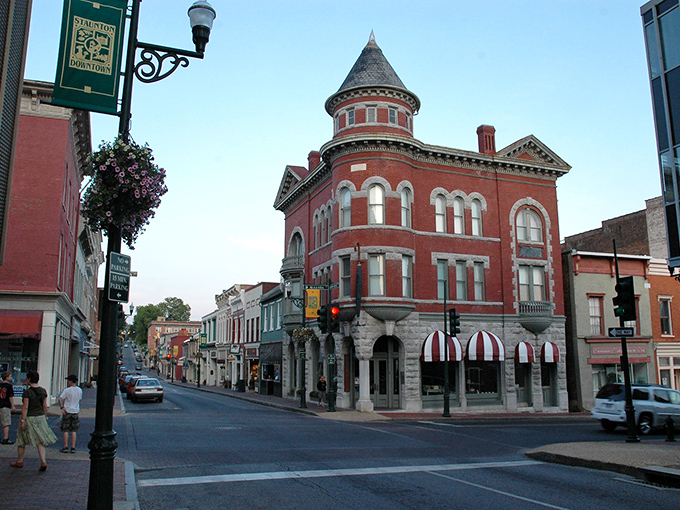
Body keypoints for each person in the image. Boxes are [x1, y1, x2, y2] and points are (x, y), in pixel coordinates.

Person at [10, 371, 57, 471]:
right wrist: (45, 416)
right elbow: (44, 405)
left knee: (21, 440)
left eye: (27, 378)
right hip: (40, 417)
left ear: (29, 379)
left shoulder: (27, 392)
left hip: (30, 418)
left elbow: (25, 408)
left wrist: (22, 420)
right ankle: (43, 461)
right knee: (40, 440)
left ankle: (20, 461)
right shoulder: (43, 391)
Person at [58, 374, 82, 453]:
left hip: (67, 411)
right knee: (74, 430)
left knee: (65, 429)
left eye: (68, 380)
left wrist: (62, 408)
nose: (67, 382)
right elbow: (79, 399)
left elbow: (60, 399)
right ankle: (73, 447)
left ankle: (65, 446)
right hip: (75, 411)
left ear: (71, 381)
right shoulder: (79, 390)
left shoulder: (67, 390)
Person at [1, 371, 16, 444]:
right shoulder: (9, 386)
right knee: (6, 423)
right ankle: (5, 438)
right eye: (10, 376)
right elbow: (10, 397)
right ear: (7, 378)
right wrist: (13, 406)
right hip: (6, 405)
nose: (11, 377)